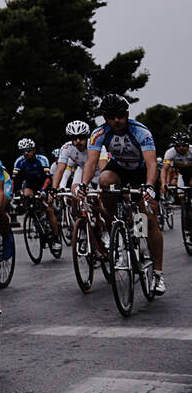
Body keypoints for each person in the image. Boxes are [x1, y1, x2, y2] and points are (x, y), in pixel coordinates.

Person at [79, 94, 165, 295]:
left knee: (147, 219)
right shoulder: (99, 133)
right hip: (119, 168)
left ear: (126, 114)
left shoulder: (141, 131)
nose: (116, 120)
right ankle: (115, 226)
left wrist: (150, 186)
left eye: (119, 116)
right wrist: (83, 185)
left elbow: (152, 163)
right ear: (104, 118)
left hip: (141, 171)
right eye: (110, 116)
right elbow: (91, 163)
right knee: (105, 181)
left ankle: (159, 274)